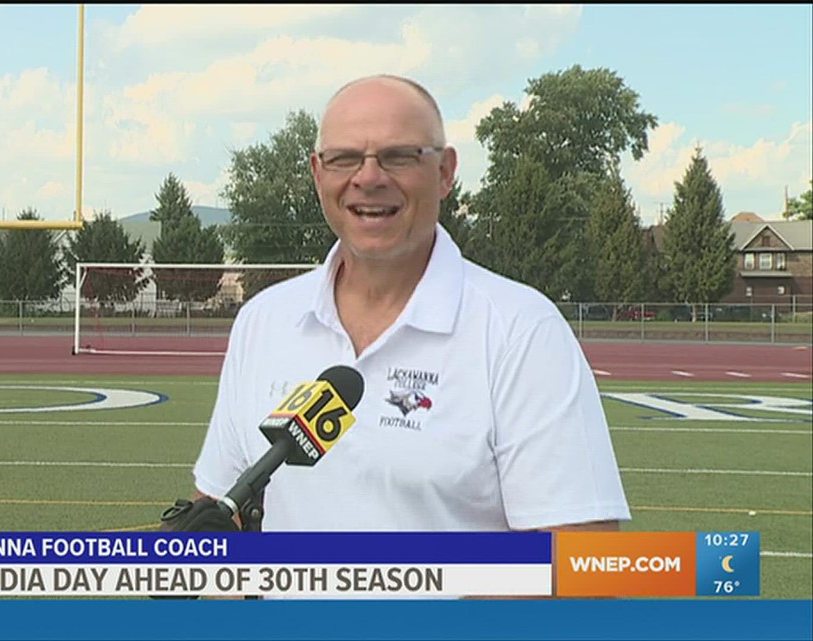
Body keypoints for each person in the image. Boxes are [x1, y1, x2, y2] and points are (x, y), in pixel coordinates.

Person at [185, 74, 630, 540]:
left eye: (398, 156)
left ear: (445, 172)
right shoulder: (264, 319)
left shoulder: (521, 331)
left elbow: (586, 563)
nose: (369, 178)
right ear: (318, 174)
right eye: (345, 158)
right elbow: (220, 503)